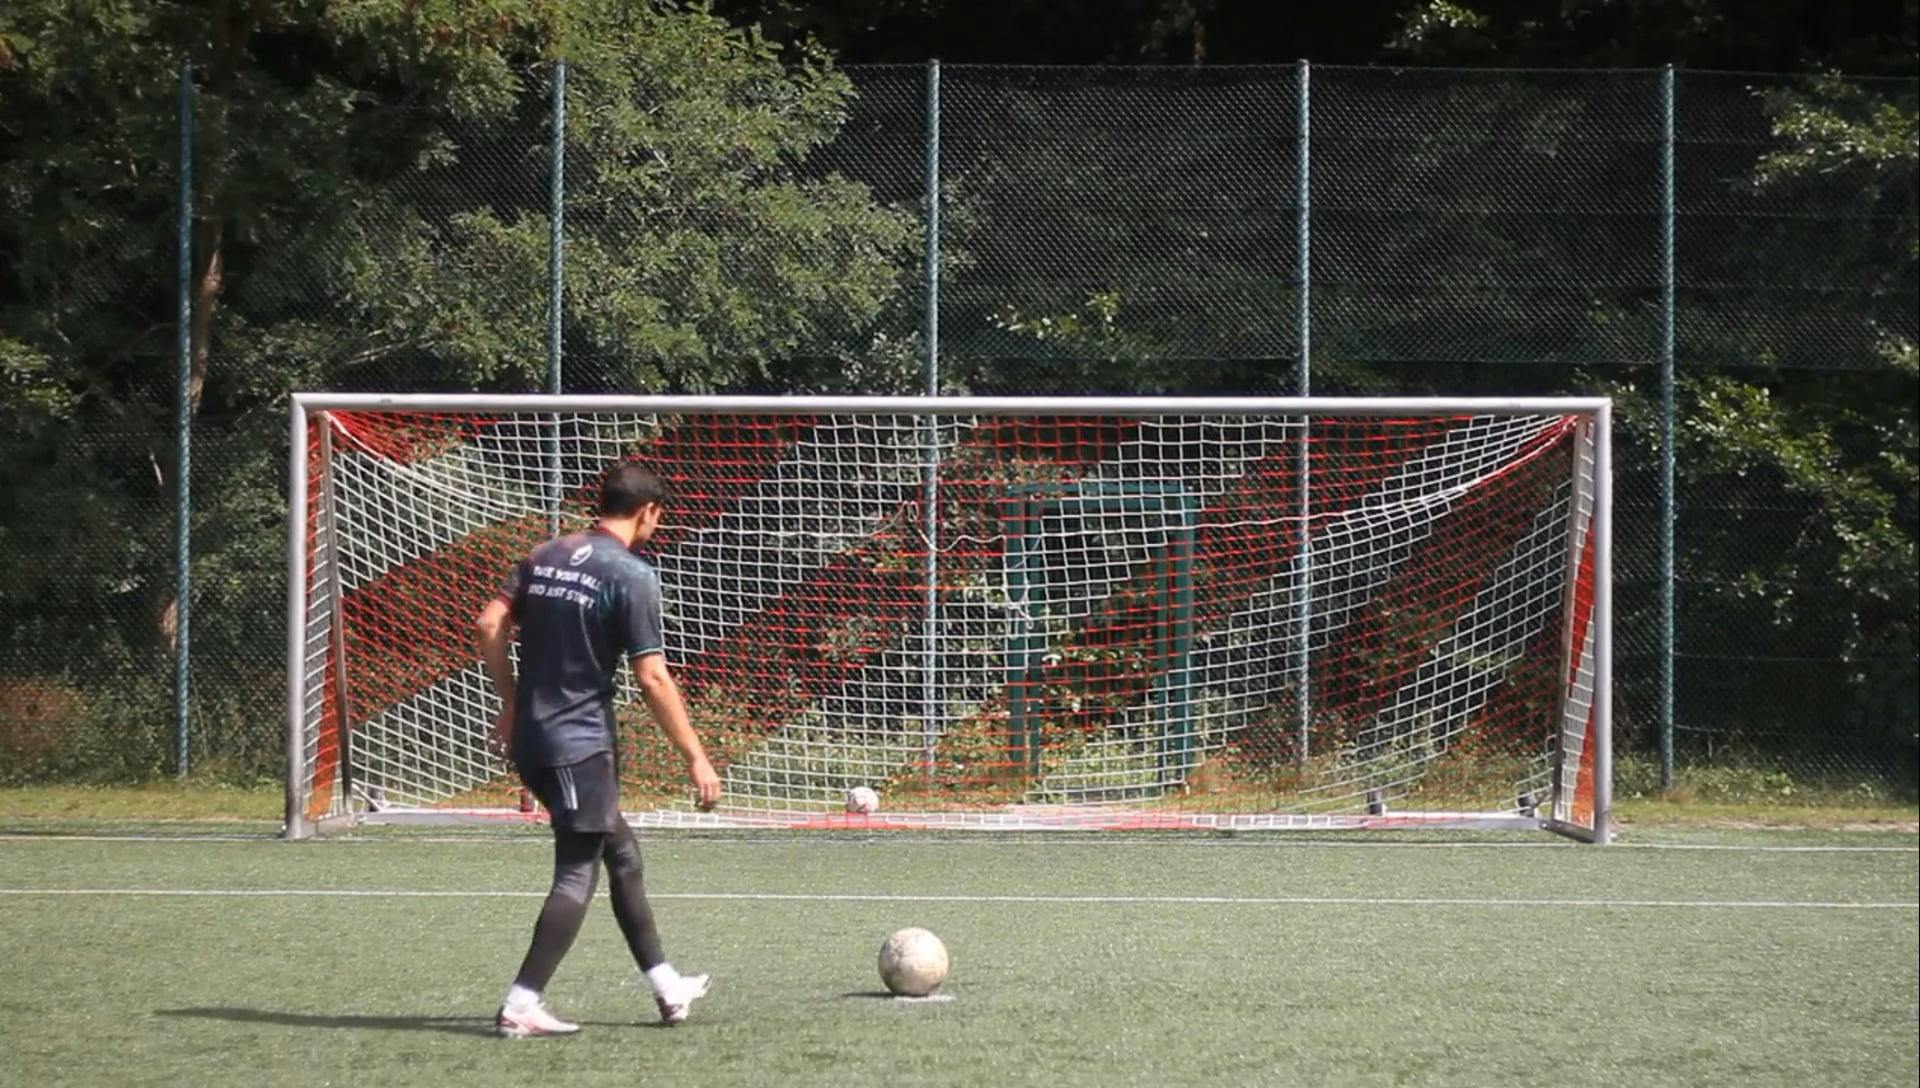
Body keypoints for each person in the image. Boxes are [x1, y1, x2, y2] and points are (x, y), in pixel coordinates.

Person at [474, 461, 723, 1038]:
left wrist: (511, 702)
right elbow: (654, 678)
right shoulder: (631, 574)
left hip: (538, 741)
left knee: (623, 855)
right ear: (648, 512)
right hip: (577, 745)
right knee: (576, 872)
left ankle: (666, 986)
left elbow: (489, 624)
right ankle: (521, 1003)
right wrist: (696, 756)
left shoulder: (546, 553)